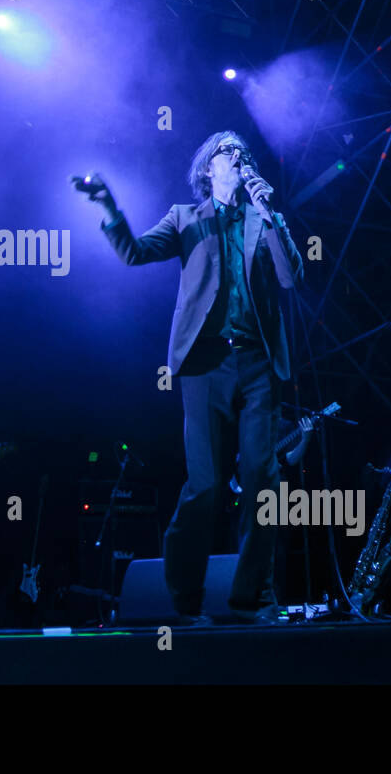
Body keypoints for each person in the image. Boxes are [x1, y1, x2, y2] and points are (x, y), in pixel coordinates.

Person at [73, 130, 304, 625]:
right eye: (228, 152)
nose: (239, 157)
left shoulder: (266, 218)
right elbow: (135, 253)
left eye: (244, 152)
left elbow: (291, 278)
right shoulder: (186, 217)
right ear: (208, 169)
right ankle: (184, 599)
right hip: (204, 366)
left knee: (264, 484)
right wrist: (110, 208)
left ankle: (251, 601)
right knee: (206, 485)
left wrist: (270, 216)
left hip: (260, 364)